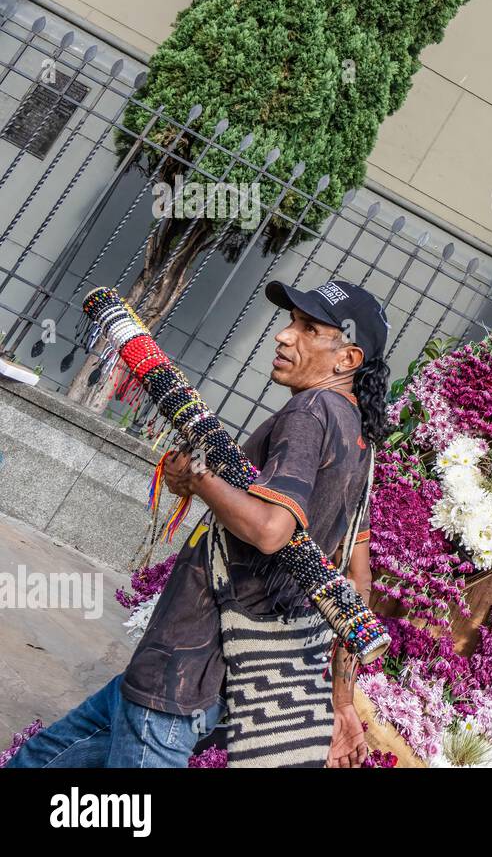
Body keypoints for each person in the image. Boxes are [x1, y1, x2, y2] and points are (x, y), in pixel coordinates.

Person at [6, 280, 391, 768]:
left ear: (347, 360)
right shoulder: (362, 441)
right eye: (291, 322)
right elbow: (357, 579)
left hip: (185, 666)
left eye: (308, 328)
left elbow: (272, 530)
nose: (284, 336)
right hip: (215, 676)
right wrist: (340, 701)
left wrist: (198, 479)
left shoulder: (310, 411)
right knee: (47, 755)